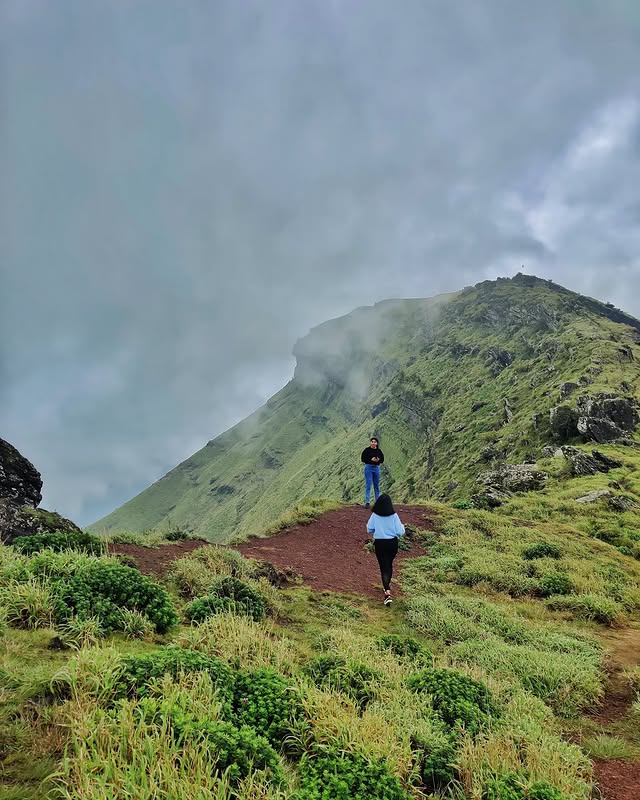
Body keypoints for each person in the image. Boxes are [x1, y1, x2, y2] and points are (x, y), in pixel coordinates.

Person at [366, 494, 405, 605]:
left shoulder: (375, 515)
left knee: (383, 567)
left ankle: (387, 593)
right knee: (389, 565)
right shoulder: (394, 515)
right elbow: (400, 532)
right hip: (392, 543)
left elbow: (369, 529)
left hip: (380, 544)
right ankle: (387, 586)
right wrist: (402, 526)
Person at [361, 437, 384, 507]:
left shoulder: (379, 451)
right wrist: (371, 460)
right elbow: (363, 459)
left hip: (376, 468)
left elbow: (382, 459)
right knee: (368, 484)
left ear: (377, 443)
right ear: (370, 443)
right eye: (372, 442)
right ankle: (367, 502)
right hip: (369, 467)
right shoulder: (367, 450)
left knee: (376, 485)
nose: (373, 443)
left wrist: (378, 460)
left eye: (375, 442)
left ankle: (377, 502)